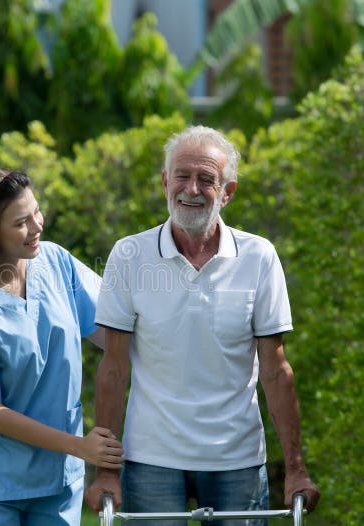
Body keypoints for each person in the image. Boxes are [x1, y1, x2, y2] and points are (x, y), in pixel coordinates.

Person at [85, 126, 321, 525]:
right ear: (164, 182)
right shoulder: (129, 255)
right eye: (181, 175)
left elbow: (276, 372)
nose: (190, 189)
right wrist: (106, 471)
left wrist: (296, 468)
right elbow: (113, 368)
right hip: (150, 457)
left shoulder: (259, 256)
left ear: (227, 192)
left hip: (237, 459)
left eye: (206, 179)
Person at [0, 168, 123, 526]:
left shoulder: (57, 262)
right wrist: (80, 446)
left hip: (57, 479)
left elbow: (115, 336)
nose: (37, 226)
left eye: (36, 211)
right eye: (21, 222)